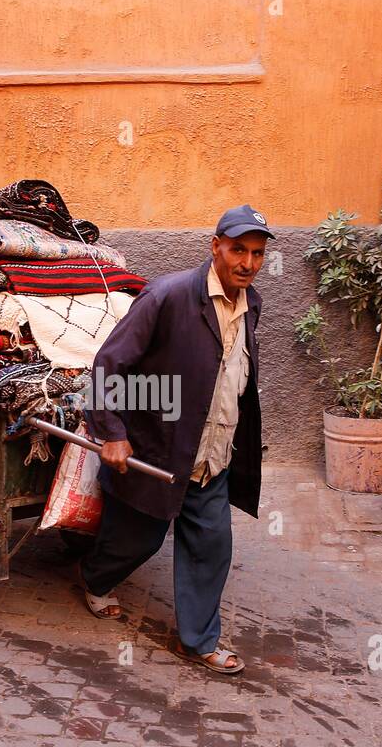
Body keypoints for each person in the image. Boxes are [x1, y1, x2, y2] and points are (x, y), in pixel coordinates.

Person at [80, 204, 272, 674]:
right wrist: (112, 432)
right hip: (157, 454)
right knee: (136, 542)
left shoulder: (253, 306)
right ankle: (94, 579)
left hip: (210, 457)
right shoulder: (168, 296)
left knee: (211, 545)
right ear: (215, 247)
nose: (247, 263)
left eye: (257, 253)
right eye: (237, 250)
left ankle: (200, 640)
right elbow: (108, 364)